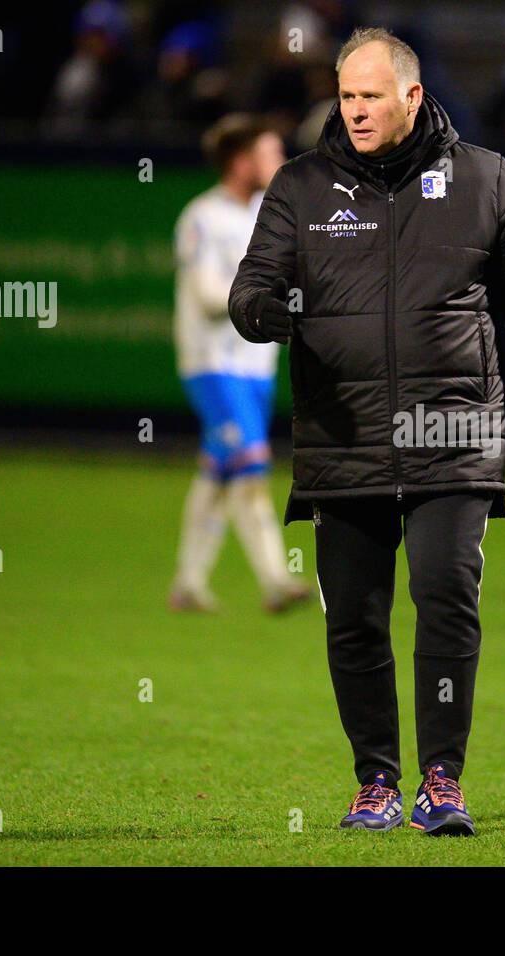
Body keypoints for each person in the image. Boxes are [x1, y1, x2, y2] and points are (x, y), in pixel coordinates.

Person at [228, 27, 505, 836]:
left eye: (371, 96)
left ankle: (442, 781)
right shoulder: (300, 187)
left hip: (452, 432)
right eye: (347, 95)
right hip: (340, 439)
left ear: (412, 96)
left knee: (446, 594)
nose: (355, 110)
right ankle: (376, 780)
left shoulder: (487, 179)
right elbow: (249, 292)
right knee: (352, 617)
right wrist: (264, 312)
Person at [170, 115, 312, 615]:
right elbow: (208, 295)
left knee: (218, 472)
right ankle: (276, 580)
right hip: (214, 365)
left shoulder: (266, 216)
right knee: (251, 465)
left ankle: (187, 584)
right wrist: (262, 295)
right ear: (241, 162)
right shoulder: (201, 218)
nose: (279, 163)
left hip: (255, 367)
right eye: (269, 153)